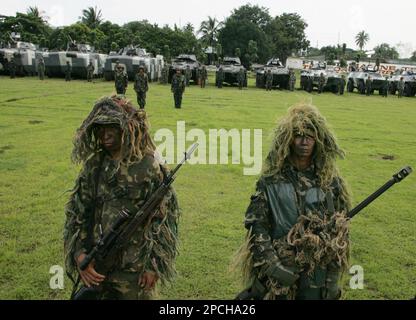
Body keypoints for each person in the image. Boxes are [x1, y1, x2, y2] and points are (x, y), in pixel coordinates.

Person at [64, 95, 180, 300]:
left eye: (111, 126)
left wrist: (153, 265)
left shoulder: (149, 166)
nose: (104, 133)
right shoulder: (95, 165)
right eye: (99, 127)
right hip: (96, 265)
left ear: (126, 127)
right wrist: (80, 254)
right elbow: (78, 213)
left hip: (135, 271)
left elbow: (163, 220)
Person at [237, 103, 351, 300]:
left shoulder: (330, 183)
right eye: (298, 135)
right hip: (280, 269)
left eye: (310, 135)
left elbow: (339, 233)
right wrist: (273, 266)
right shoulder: (270, 180)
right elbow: (257, 226)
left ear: (318, 139)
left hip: (317, 272)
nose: (304, 141)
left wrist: (332, 278)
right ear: (288, 140)